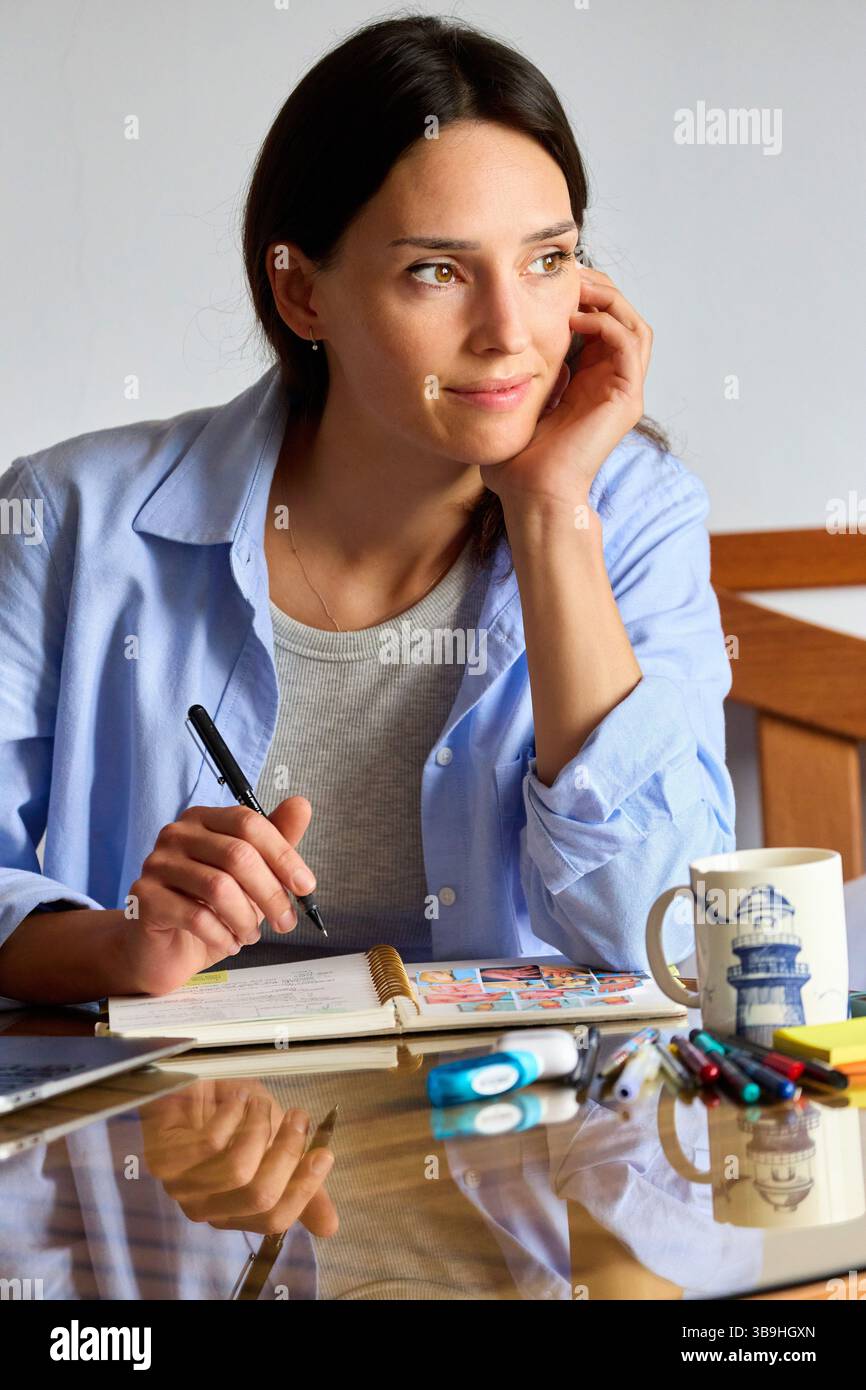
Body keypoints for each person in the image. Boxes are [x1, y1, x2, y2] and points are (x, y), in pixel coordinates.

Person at [0, 15, 734, 1005]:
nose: (508, 333)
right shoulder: (67, 518)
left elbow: (675, 940)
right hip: (172, 1137)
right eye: (436, 270)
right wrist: (123, 942)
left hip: (512, 1134)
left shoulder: (632, 516)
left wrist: (551, 512)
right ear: (302, 293)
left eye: (546, 259)